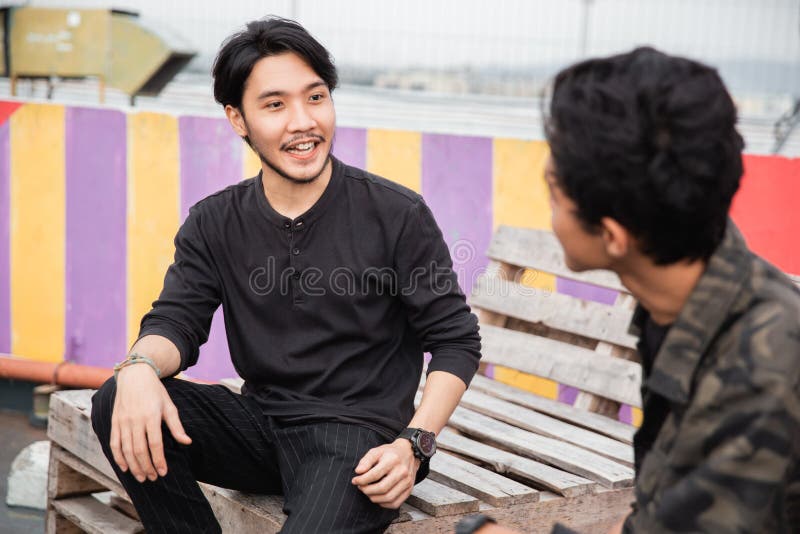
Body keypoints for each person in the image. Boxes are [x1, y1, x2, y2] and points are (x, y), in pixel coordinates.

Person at [91, 17, 481, 534]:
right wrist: (138, 366)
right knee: (116, 398)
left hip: (359, 443)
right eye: (275, 105)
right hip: (259, 424)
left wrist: (415, 443)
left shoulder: (395, 213)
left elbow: (456, 339)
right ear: (238, 118)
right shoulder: (214, 221)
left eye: (315, 97)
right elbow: (176, 322)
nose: (303, 122)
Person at [460, 47, 800, 534]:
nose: (549, 208)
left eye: (555, 192)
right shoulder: (689, 291)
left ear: (614, 236)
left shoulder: (760, 365)